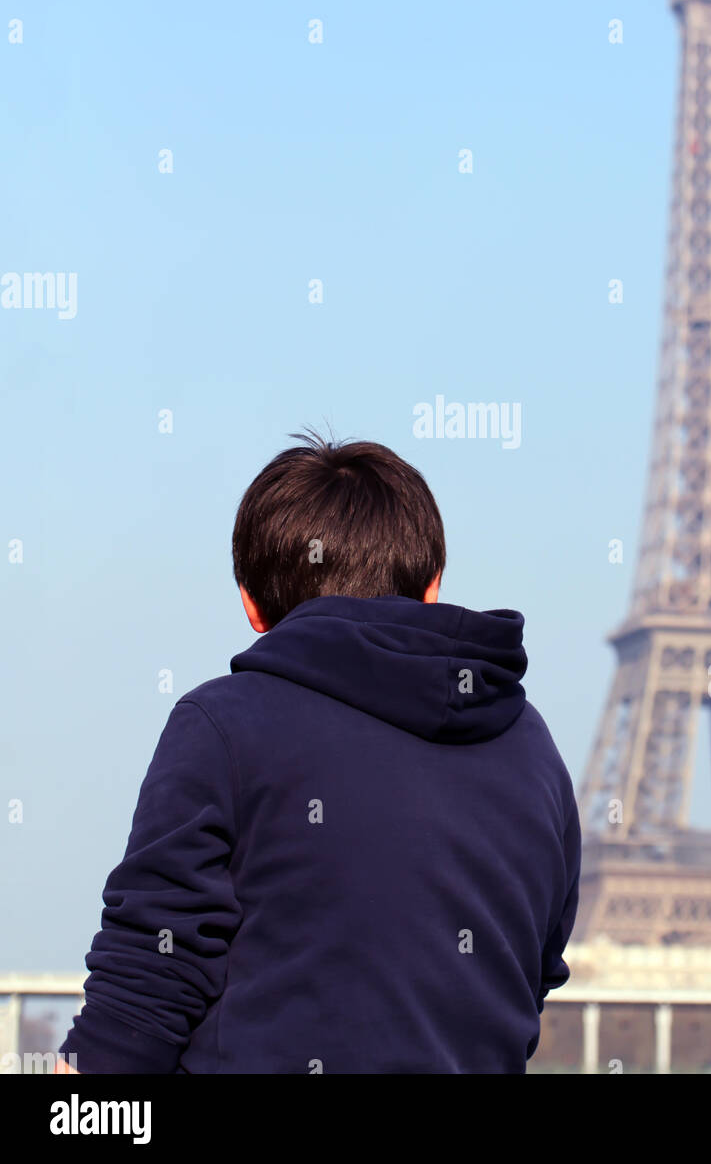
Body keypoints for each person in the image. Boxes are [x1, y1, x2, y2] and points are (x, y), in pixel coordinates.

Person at [59, 431, 580, 1074]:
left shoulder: (222, 724)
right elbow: (533, 971)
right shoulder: (533, 750)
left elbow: (141, 998)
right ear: (433, 586)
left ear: (251, 603)